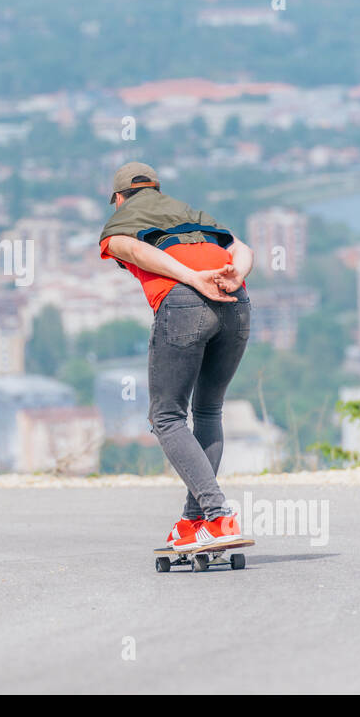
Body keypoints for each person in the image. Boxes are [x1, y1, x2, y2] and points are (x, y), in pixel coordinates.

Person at [98, 161, 255, 551]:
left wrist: (189, 278)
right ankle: (194, 522)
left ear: (119, 199)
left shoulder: (118, 224)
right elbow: (241, 248)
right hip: (237, 303)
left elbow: (131, 248)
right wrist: (235, 273)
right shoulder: (192, 213)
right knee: (207, 411)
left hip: (186, 303)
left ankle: (218, 517)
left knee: (166, 416)